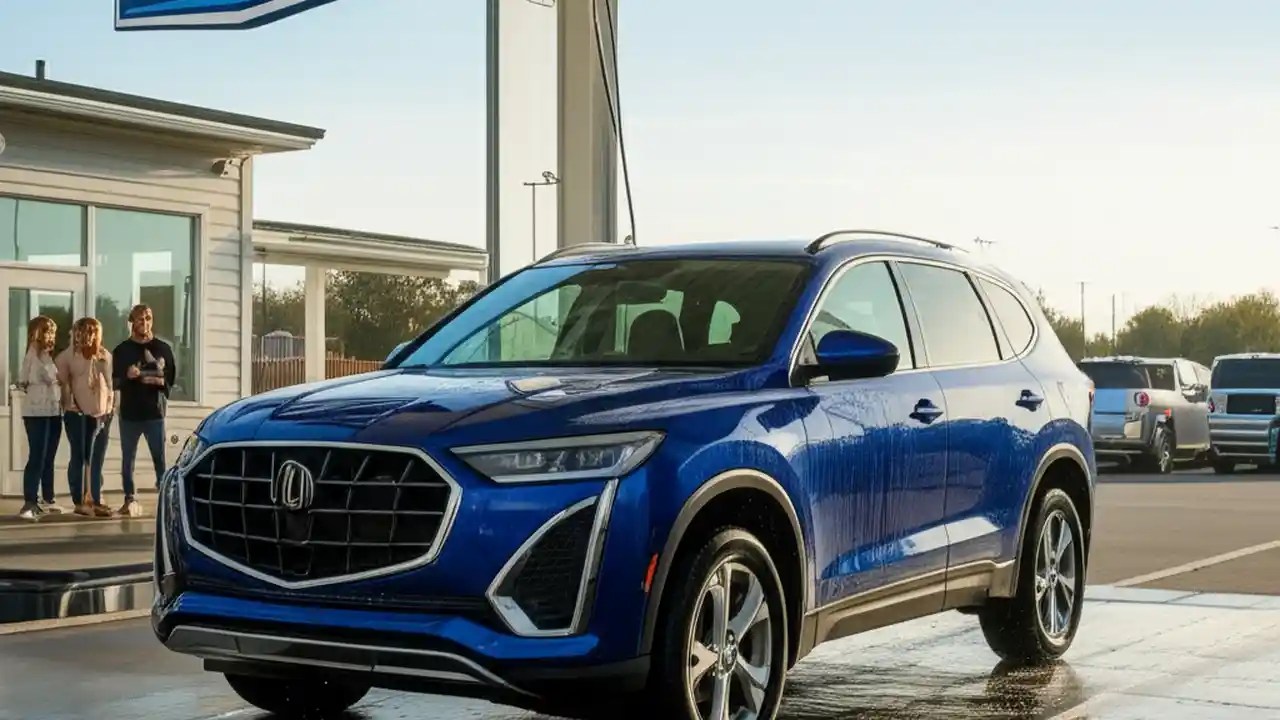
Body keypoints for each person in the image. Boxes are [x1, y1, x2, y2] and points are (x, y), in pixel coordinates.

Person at [112, 304, 175, 517]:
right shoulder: (121, 350)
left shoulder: (163, 348)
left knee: (159, 457)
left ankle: (165, 496)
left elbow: (171, 377)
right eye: (140, 319)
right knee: (128, 458)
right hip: (129, 414)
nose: (145, 322)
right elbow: (114, 380)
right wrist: (126, 376)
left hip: (155, 413)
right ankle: (129, 498)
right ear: (132, 322)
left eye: (148, 318)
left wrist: (158, 380)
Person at [56, 317, 114, 518]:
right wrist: (67, 401)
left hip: (102, 414)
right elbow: (59, 384)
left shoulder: (104, 356)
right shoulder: (67, 357)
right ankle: (80, 500)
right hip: (77, 414)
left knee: (96, 459)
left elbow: (110, 384)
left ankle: (96, 499)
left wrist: (110, 407)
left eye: (91, 332)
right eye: (81, 331)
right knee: (80, 457)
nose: (86, 336)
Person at [15, 316, 63, 521]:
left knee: (49, 457)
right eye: (46, 331)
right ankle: (30, 501)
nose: (50, 336)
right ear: (36, 333)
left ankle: (48, 498)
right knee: (37, 456)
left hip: (53, 411)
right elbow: (47, 376)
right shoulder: (34, 354)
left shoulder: (48, 355)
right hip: (36, 413)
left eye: (52, 332)